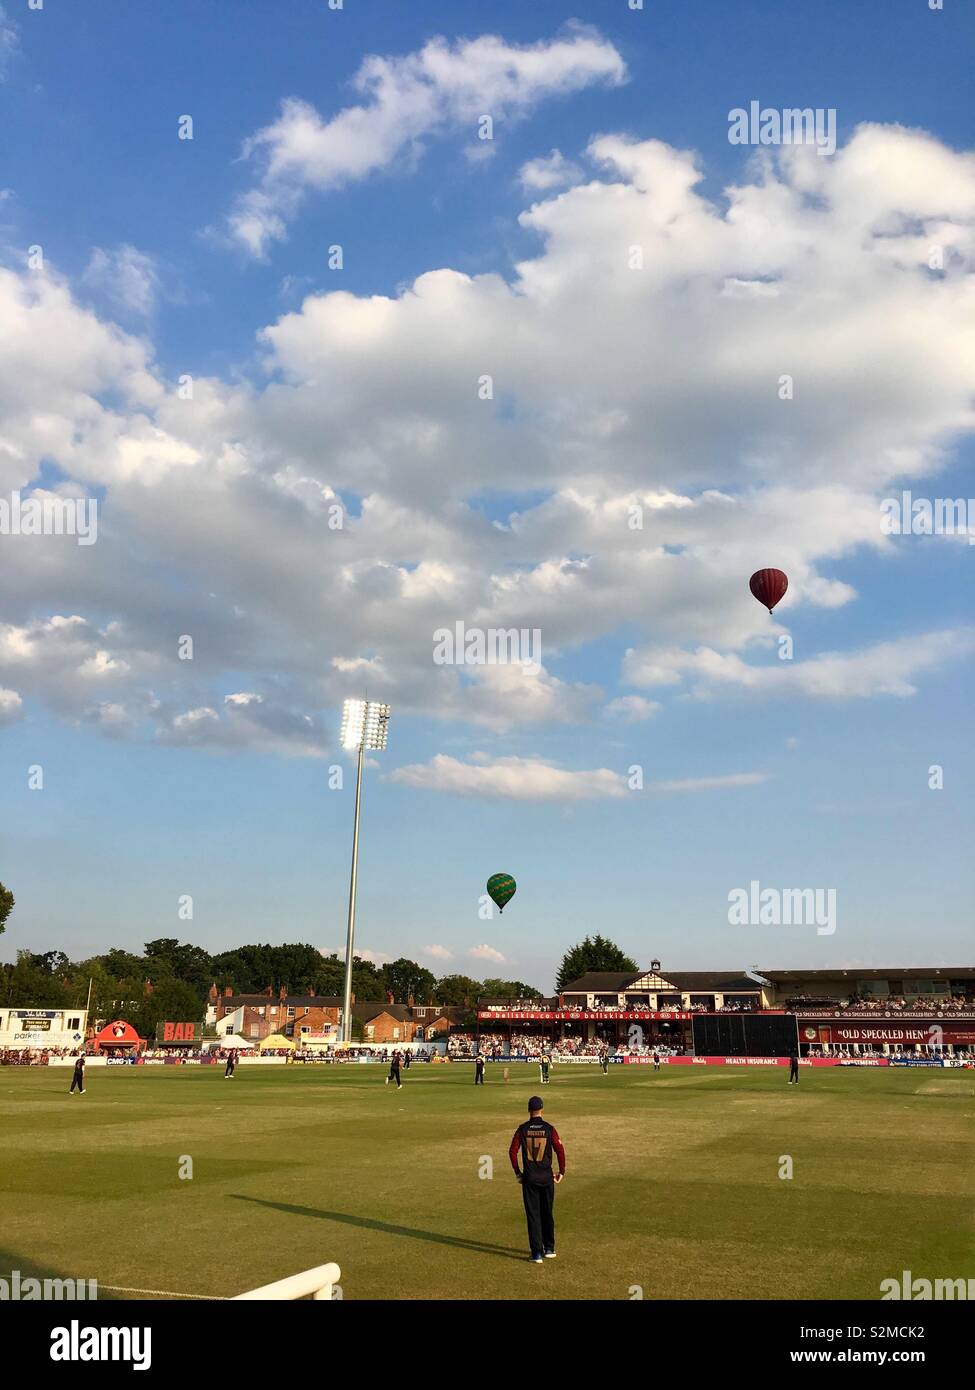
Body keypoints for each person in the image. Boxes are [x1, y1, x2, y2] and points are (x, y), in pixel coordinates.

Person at [509, 1096, 566, 1263]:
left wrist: (518, 1173)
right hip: (547, 1178)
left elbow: (512, 1152)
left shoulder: (522, 1129)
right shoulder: (549, 1129)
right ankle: (549, 1248)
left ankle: (536, 1253)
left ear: (528, 1110)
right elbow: (560, 1150)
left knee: (533, 1215)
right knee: (547, 1212)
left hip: (530, 1179)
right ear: (542, 1109)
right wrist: (561, 1171)